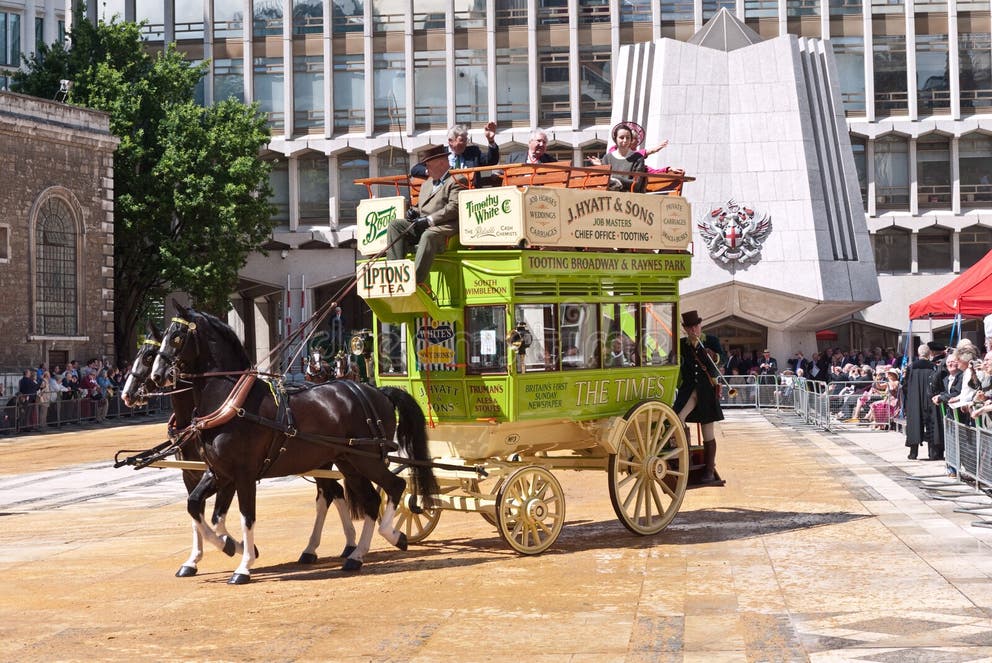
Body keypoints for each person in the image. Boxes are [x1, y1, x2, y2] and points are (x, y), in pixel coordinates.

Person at [386, 145, 468, 290]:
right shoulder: (427, 184)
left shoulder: (456, 180)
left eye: (428, 165)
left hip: (445, 227)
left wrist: (430, 220)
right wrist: (414, 212)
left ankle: (415, 282)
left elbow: (454, 208)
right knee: (395, 225)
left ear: (441, 163)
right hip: (423, 224)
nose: (426, 169)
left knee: (429, 235)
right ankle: (395, 274)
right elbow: (422, 207)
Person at [673, 310, 726, 487]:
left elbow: (722, 360)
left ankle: (709, 470)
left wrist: (713, 356)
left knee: (707, 432)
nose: (693, 329)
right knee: (677, 419)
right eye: (689, 327)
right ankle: (685, 460)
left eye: (696, 326)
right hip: (688, 391)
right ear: (685, 328)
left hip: (706, 392)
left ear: (700, 325)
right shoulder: (681, 344)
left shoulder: (710, 341)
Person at [411, 122, 499, 186]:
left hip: (470, 195)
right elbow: (415, 169)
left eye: (466, 140)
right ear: (450, 141)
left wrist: (491, 141)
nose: (465, 143)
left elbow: (491, 161)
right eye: (461, 140)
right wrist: (431, 171)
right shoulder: (439, 154)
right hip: (446, 196)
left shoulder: (473, 152)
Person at [587, 122, 647, 192]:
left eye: (628, 138)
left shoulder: (638, 158)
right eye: (621, 137)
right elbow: (604, 180)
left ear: (631, 140)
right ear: (615, 139)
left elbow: (636, 184)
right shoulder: (607, 158)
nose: (625, 140)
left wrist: (615, 178)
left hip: (629, 199)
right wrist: (601, 166)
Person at [904, 344, 935, 459]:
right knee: (931, 423)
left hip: (914, 399)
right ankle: (933, 453)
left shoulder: (911, 367)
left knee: (915, 423)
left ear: (918, 354)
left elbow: (905, 386)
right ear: (929, 354)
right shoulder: (933, 367)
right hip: (930, 398)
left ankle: (913, 453)